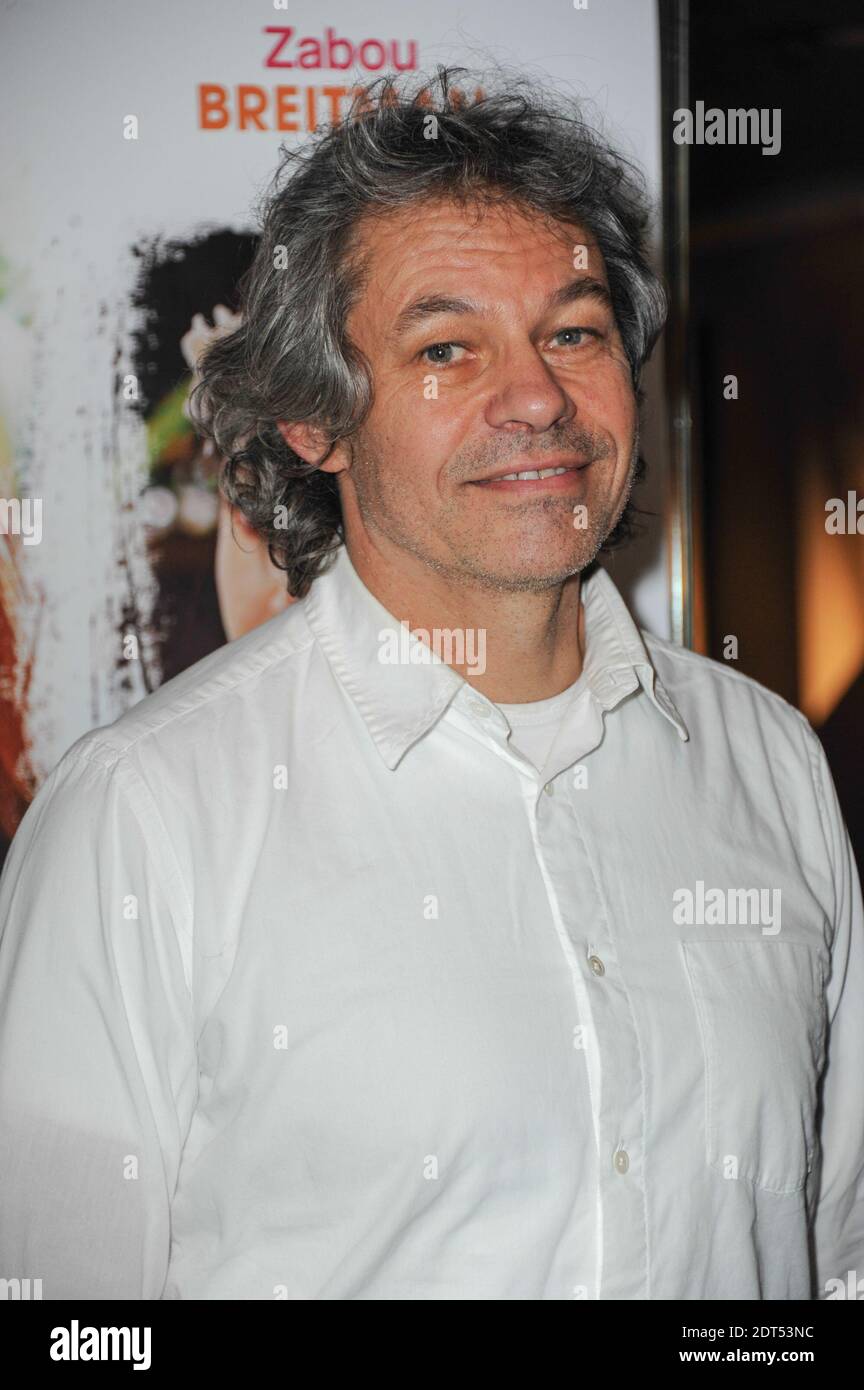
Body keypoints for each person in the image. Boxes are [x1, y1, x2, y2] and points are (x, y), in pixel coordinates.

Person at [0, 66, 861, 1302]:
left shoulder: (770, 762)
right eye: (447, 348)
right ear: (315, 421)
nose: (538, 399)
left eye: (574, 332)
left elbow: (839, 1262)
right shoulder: (142, 819)